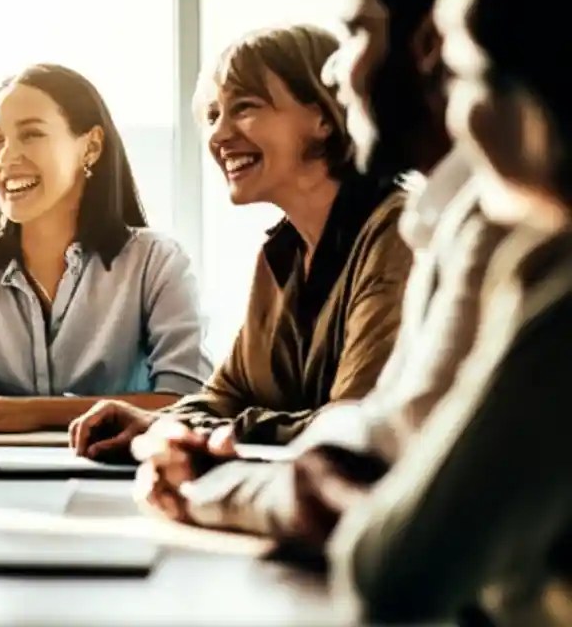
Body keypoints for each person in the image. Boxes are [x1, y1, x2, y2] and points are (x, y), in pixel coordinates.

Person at [120, 0, 533, 541]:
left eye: (357, 37)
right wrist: (184, 431)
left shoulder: (435, 236)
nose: (340, 75)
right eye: (212, 115)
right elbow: (255, 405)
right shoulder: (314, 248)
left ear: (434, 44)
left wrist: (214, 463)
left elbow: (365, 454)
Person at [330, 0, 572, 623]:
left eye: (462, 76)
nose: (455, 113)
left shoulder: (557, 290)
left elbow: (392, 570)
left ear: (533, 92)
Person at [71, 24, 414, 462]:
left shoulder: (398, 233)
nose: (218, 135)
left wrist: (208, 431)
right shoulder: (282, 252)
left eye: (245, 108)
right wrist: (160, 422)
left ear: (325, 115)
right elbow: (226, 393)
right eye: (214, 116)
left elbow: (353, 425)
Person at [0, 64, 212, 442]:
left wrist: (25, 413)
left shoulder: (156, 262)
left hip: (112, 478)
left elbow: (189, 404)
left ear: (90, 146)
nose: (7, 157)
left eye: (31, 135)